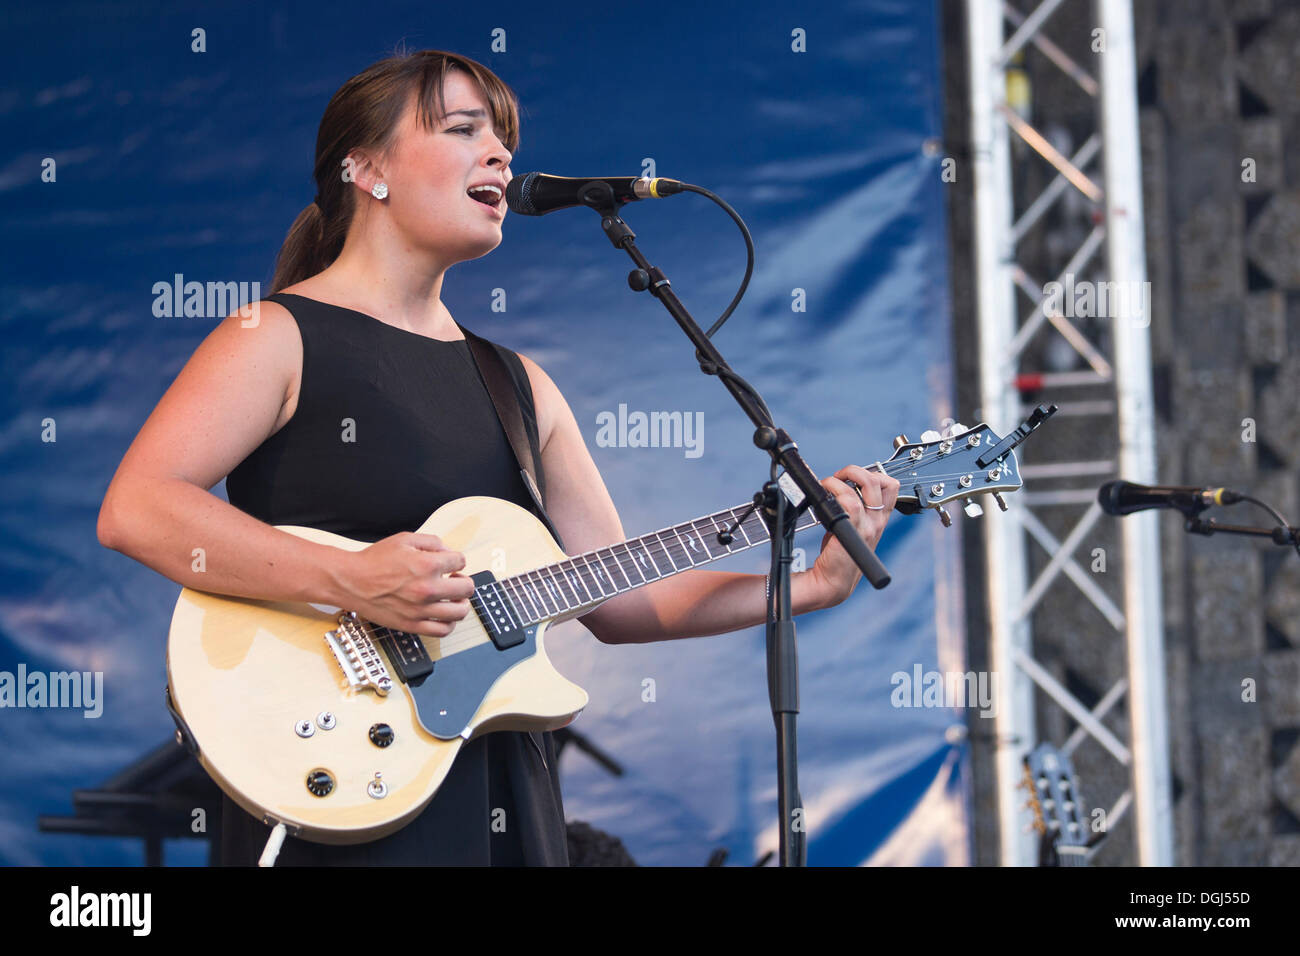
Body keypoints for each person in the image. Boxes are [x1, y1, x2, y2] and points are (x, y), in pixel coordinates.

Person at [96, 49, 900, 866]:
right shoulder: (275, 337)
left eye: (504, 137)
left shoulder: (520, 385)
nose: (501, 156)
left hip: (501, 787)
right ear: (365, 166)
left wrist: (811, 585)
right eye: (462, 128)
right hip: (333, 764)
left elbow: (621, 600)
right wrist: (348, 578)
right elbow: (137, 509)